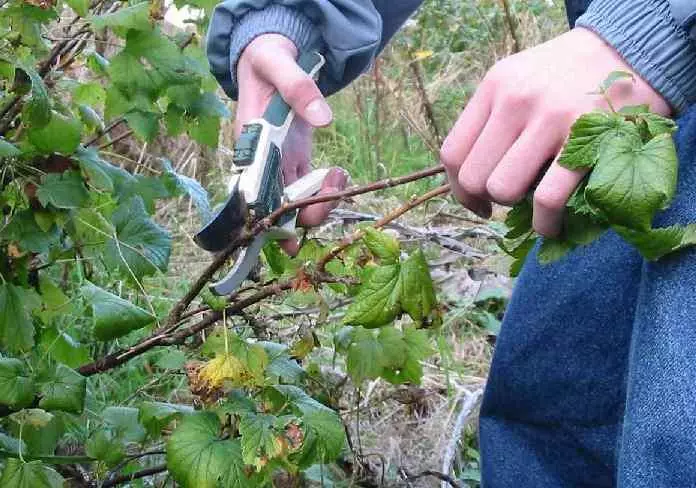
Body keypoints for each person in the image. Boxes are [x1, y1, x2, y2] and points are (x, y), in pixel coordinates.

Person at [206, 0, 696, 486]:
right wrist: (292, 18)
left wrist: (657, 27)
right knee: (548, 417)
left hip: (642, 70)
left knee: (677, 439)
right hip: (619, 112)